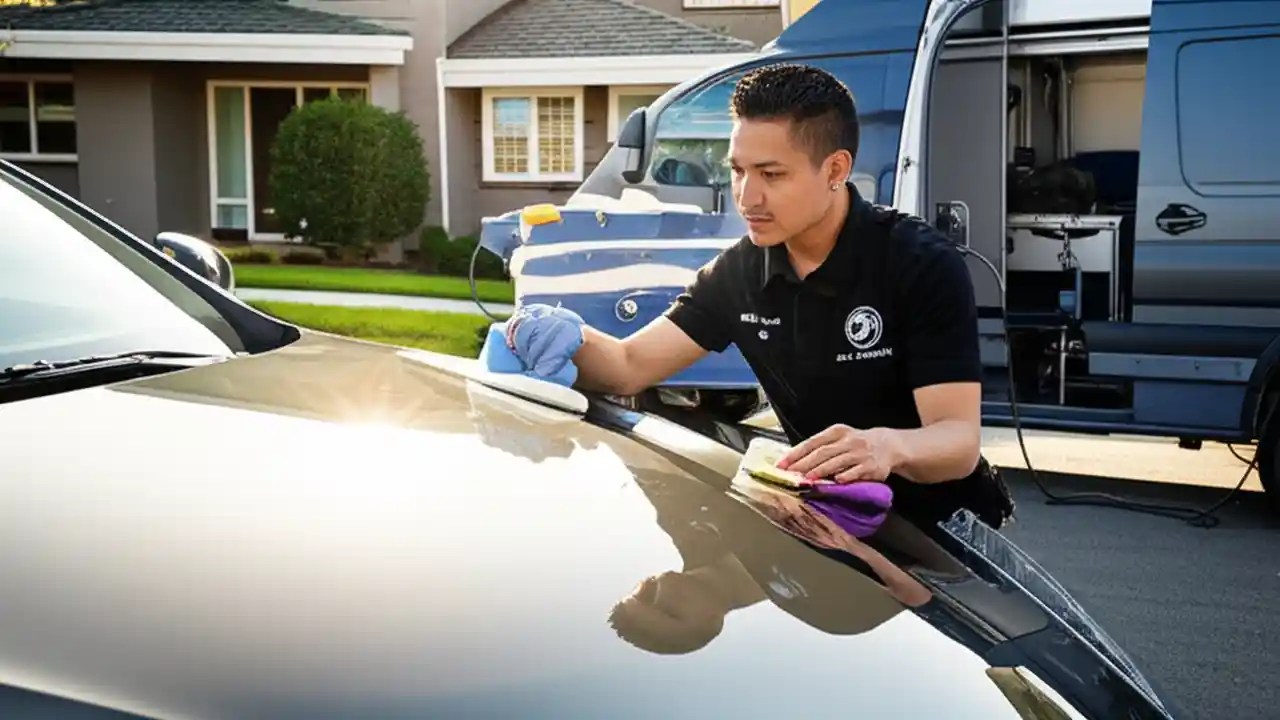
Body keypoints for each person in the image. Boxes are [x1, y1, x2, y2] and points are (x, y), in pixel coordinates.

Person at [499, 62, 1013, 532]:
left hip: (950, 534)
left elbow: (958, 443)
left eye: (771, 174)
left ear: (835, 170)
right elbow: (630, 364)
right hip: (833, 523)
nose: (747, 197)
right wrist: (559, 332)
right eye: (738, 170)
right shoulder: (740, 272)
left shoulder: (920, 264)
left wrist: (887, 446)